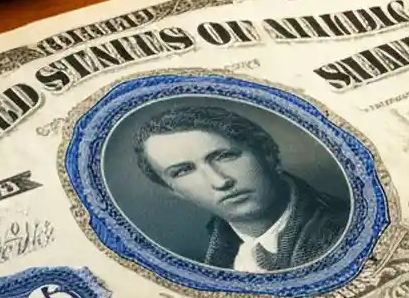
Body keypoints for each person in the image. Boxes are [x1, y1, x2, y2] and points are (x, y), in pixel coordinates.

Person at [132, 104, 349, 272]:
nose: (220, 181)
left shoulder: (344, 227)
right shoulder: (199, 260)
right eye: (183, 171)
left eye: (224, 156)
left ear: (267, 154)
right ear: (173, 191)